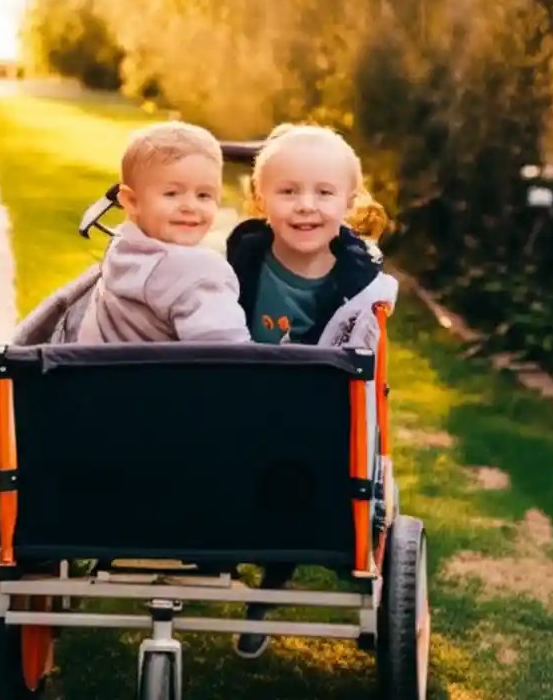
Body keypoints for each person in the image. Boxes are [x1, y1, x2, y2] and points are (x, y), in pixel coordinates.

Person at [224, 122, 398, 659]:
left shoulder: (360, 281)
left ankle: (278, 587)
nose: (306, 206)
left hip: (320, 417)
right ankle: (238, 569)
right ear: (261, 200)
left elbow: (366, 362)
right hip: (241, 407)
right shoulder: (238, 262)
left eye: (323, 193)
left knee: (305, 492)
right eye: (288, 191)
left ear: (348, 201)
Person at [76, 121, 251, 344]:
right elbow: (231, 361)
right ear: (131, 201)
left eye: (204, 195)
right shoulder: (198, 273)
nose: (190, 206)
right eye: (171, 194)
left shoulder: (123, 249)